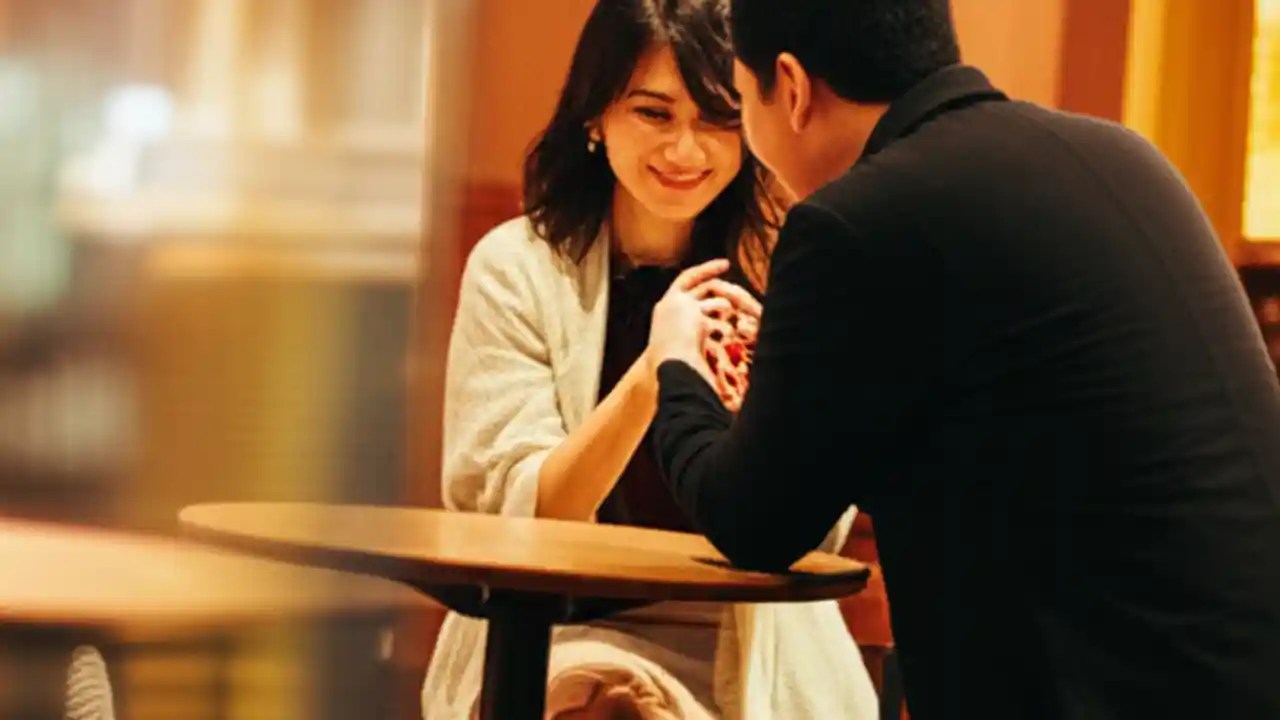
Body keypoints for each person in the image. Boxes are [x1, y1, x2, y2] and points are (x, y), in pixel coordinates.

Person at [647, 0, 1280, 718]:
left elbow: (753, 521)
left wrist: (677, 366)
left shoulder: (856, 222)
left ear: (790, 88)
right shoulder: (1124, 154)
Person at [420, 1, 877, 718]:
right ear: (595, 115)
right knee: (602, 706)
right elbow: (517, 520)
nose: (686, 151)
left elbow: (816, 533)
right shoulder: (516, 269)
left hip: (749, 638)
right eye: (655, 114)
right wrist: (653, 376)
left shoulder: (791, 275)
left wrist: (776, 413)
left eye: (717, 119)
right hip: (564, 626)